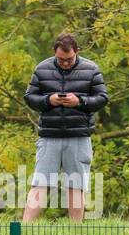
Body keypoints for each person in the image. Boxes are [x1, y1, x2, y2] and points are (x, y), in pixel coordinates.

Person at [21, 32, 108, 222]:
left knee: (76, 185)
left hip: (79, 136)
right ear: (54, 52)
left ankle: (75, 231)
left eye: (69, 59)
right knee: (40, 183)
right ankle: (24, 228)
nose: (65, 63)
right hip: (49, 136)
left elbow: (102, 98)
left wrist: (80, 102)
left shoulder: (92, 69)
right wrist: (48, 100)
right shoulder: (41, 68)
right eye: (61, 59)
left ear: (77, 51)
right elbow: (29, 97)